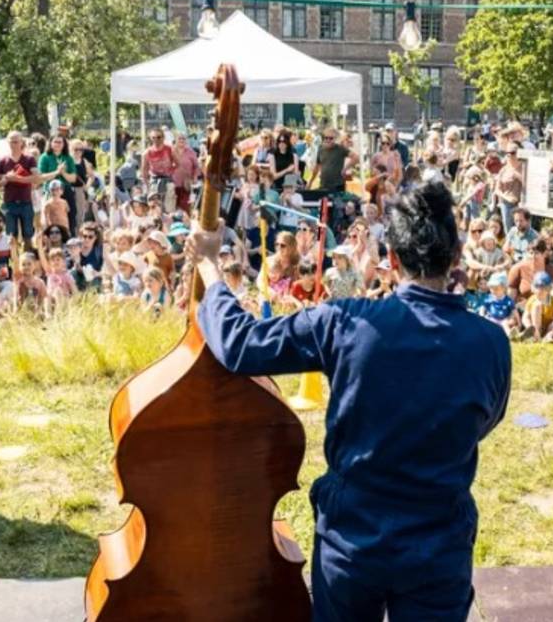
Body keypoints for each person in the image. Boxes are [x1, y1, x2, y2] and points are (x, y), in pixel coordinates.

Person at [188, 181, 510, 621]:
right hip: (440, 537)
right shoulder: (491, 342)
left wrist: (209, 267)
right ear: (455, 256)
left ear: (391, 259)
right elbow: (484, 419)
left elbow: (241, 344)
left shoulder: (346, 321)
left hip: (354, 536)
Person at [0, 131, 39, 248]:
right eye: (11, 141)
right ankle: (14, 260)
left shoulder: (29, 159)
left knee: (28, 235)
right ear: (7, 143)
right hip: (9, 202)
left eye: (16, 141)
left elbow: (36, 178)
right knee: (11, 235)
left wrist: (16, 178)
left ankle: (28, 259)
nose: (14, 144)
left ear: (21, 143)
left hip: (26, 202)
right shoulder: (2, 161)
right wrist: (4, 180)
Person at [311, 128, 358, 193]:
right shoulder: (320, 148)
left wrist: (345, 169)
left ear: (335, 139)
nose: (328, 140)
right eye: (326, 138)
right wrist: (311, 181)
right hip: (323, 185)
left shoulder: (340, 149)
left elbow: (356, 157)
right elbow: (317, 166)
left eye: (331, 138)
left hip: (337, 186)